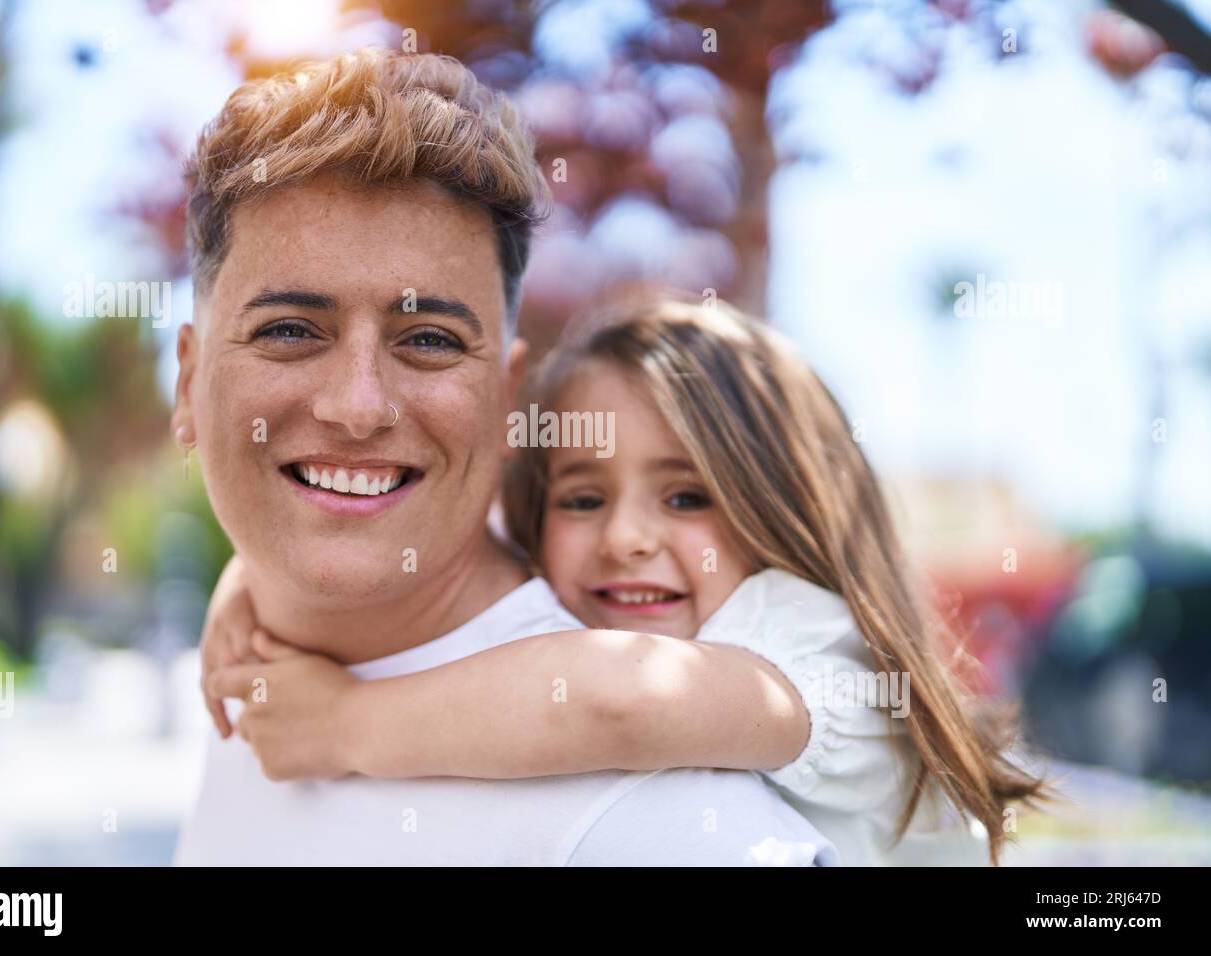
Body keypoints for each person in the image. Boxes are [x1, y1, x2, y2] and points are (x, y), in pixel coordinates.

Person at [170, 48, 837, 866]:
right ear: (188, 385)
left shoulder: (667, 826)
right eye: (289, 330)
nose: (356, 406)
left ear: (506, 402)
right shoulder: (253, 677)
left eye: (428, 340)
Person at [203, 298, 1048, 865]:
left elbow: (621, 700)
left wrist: (345, 726)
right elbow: (392, 521)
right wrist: (253, 574)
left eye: (687, 496)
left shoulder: (822, 647)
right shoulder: (571, 582)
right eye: (582, 497)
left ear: (787, 506)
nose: (626, 538)